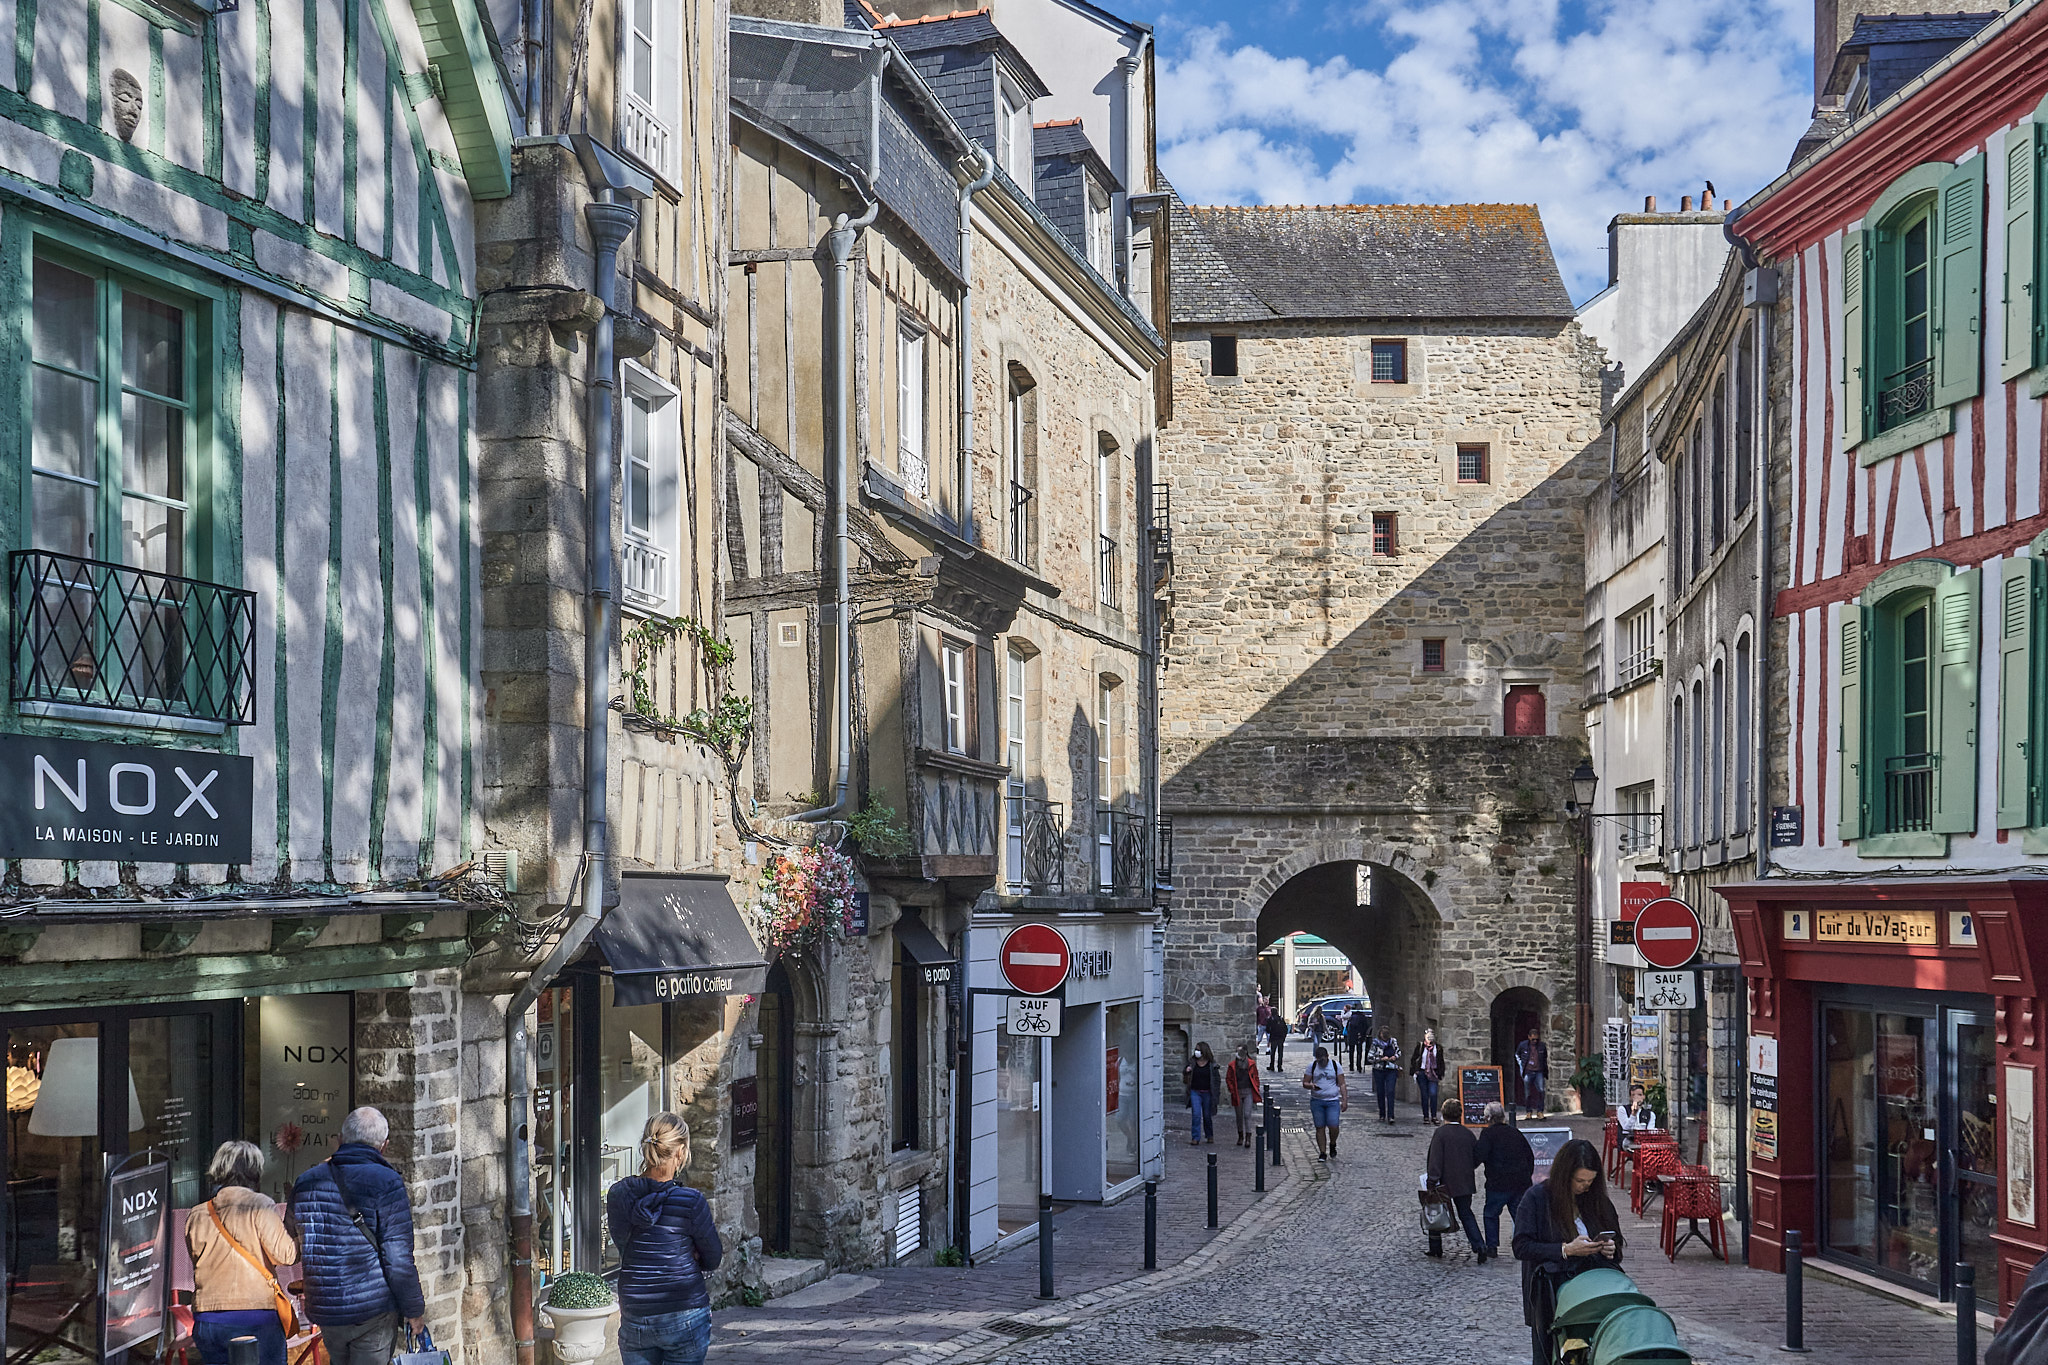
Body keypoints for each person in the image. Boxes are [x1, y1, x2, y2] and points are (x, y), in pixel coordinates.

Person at [288, 1107, 426, 1365]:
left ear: (340, 1139)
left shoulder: (306, 1181)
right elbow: (398, 1257)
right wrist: (414, 1310)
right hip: (370, 1309)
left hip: (326, 1307)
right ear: (383, 1146)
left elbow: (292, 1237)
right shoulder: (387, 1182)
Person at [607, 1114, 723, 1365]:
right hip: (685, 1311)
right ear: (680, 1153)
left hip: (636, 1309)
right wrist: (689, 1254)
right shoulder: (691, 1202)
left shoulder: (619, 1195)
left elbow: (625, 1246)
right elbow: (713, 1257)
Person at [187, 1141, 301, 1365]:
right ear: (254, 1171)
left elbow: (196, 1258)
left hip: (208, 1319)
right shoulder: (260, 1205)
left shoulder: (197, 1214)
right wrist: (304, 1234)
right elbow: (286, 1255)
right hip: (256, 1317)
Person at [1513, 1139, 1624, 1365]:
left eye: (1590, 1181)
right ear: (1565, 1175)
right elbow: (1521, 1246)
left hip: (1595, 1297)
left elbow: (1617, 1244)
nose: (1585, 1186)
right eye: (1580, 1180)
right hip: (1551, 1297)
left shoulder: (1597, 1201)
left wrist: (1611, 1248)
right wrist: (1565, 1250)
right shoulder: (1536, 1199)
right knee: (1550, 1355)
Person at [1424, 1098, 1489, 1261]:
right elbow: (1477, 1156)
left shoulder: (1441, 1134)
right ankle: (1480, 1246)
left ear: (1443, 1114)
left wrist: (1432, 1180)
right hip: (1464, 1181)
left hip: (1444, 1182)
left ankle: (1435, 1247)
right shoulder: (1467, 1134)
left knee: (1435, 1211)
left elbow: (1435, 1159)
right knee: (1466, 1213)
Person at [1474, 1101, 1535, 1258]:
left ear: (1488, 1118)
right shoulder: (1515, 1132)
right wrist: (1527, 1175)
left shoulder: (1488, 1134)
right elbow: (1530, 1156)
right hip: (1520, 1182)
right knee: (1519, 1215)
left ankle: (1492, 1247)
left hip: (1498, 1182)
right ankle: (1525, 1245)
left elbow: (1480, 1155)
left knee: (1491, 1213)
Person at [1301, 1045, 1346, 1159]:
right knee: (1319, 1127)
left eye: (1323, 1060)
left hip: (1332, 1100)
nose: (1321, 1062)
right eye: (1318, 1060)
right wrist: (1311, 1086)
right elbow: (1305, 1082)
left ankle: (1332, 1144)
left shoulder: (1335, 1066)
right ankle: (1322, 1152)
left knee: (1333, 1126)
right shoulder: (1312, 1066)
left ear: (1327, 1057)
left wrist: (1344, 1099)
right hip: (1317, 1101)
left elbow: (1342, 1083)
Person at [1225, 1044, 1263, 1147]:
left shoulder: (1251, 1064)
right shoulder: (1232, 1065)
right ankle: (1240, 1135)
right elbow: (1228, 1078)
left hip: (1248, 1091)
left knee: (1247, 1114)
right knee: (1239, 1115)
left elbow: (1255, 1076)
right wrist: (1232, 1089)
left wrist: (1256, 1086)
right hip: (1237, 1092)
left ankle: (1248, 1137)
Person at [1184, 1042, 1219, 1145]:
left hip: (1207, 1092)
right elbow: (1185, 1075)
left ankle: (1209, 1135)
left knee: (1207, 1115)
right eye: (1196, 1049)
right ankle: (1195, 1137)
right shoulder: (1192, 1062)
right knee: (1196, 1114)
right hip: (1195, 1091)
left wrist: (1216, 1094)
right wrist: (1186, 1071)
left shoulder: (1211, 1065)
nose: (1196, 1051)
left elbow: (1216, 1080)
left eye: (1199, 1049)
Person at [1411, 1028, 1446, 1124]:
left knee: (1433, 1094)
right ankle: (1426, 1116)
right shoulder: (1420, 1046)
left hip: (1433, 1073)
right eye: (1428, 1036)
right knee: (1424, 1095)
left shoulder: (1438, 1048)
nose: (1430, 1038)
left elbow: (1441, 1061)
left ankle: (1434, 1116)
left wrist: (1441, 1073)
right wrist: (1416, 1071)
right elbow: (1414, 1059)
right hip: (1422, 1073)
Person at [1369, 1026, 1403, 1124]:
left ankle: (1391, 1115)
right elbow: (1370, 1057)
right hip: (1379, 1070)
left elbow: (1398, 1052)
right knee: (1380, 1092)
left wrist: (1394, 1057)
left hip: (1391, 1069)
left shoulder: (1393, 1042)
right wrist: (1380, 1059)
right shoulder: (1375, 1043)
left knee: (1390, 1091)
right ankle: (1382, 1114)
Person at [1516, 1028, 1550, 1119]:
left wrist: (1544, 1069)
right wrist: (1521, 1065)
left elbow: (1544, 1058)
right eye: (1533, 1039)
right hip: (1528, 1071)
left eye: (1536, 1039)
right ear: (1529, 1037)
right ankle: (1528, 1112)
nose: (1535, 1041)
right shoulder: (1523, 1045)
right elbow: (1517, 1054)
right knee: (1527, 1093)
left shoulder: (1542, 1046)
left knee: (1541, 1091)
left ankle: (1540, 1111)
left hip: (1539, 1071)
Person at [1616, 1084, 1657, 1150]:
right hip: (1627, 1142)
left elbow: (1650, 1132)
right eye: (1634, 1095)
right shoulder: (1622, 1109)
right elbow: (1626, 1129)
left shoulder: (1650, 1114)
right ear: (1630, 1097)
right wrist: (1633, 1114)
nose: (1637, 1098)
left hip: (1643, 1143)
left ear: (1643, 1097)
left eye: (1640, 1095)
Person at [1343, 1004, 1369, 1072]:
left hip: (1352, 1035)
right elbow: (1366, 1027)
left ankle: (1351, 1066)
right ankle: (1359, 1066)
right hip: (1360, 1036)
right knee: (1359, 1051)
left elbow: (1348, 1026)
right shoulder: (1363, 1017)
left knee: (1351, 1051)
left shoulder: (1352, 1017)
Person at [1264, 1008, 1288, 1072]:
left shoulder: (1270, 1019)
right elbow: (1285, 1028)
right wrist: (1284, 1037)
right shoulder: (1281, 1019)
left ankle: (1272, 1066)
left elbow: (1267, 1029)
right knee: (1280, 1053)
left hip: (1274, 1037)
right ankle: (1279, 1066)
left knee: (1273, 1052)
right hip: (1280, 1038)